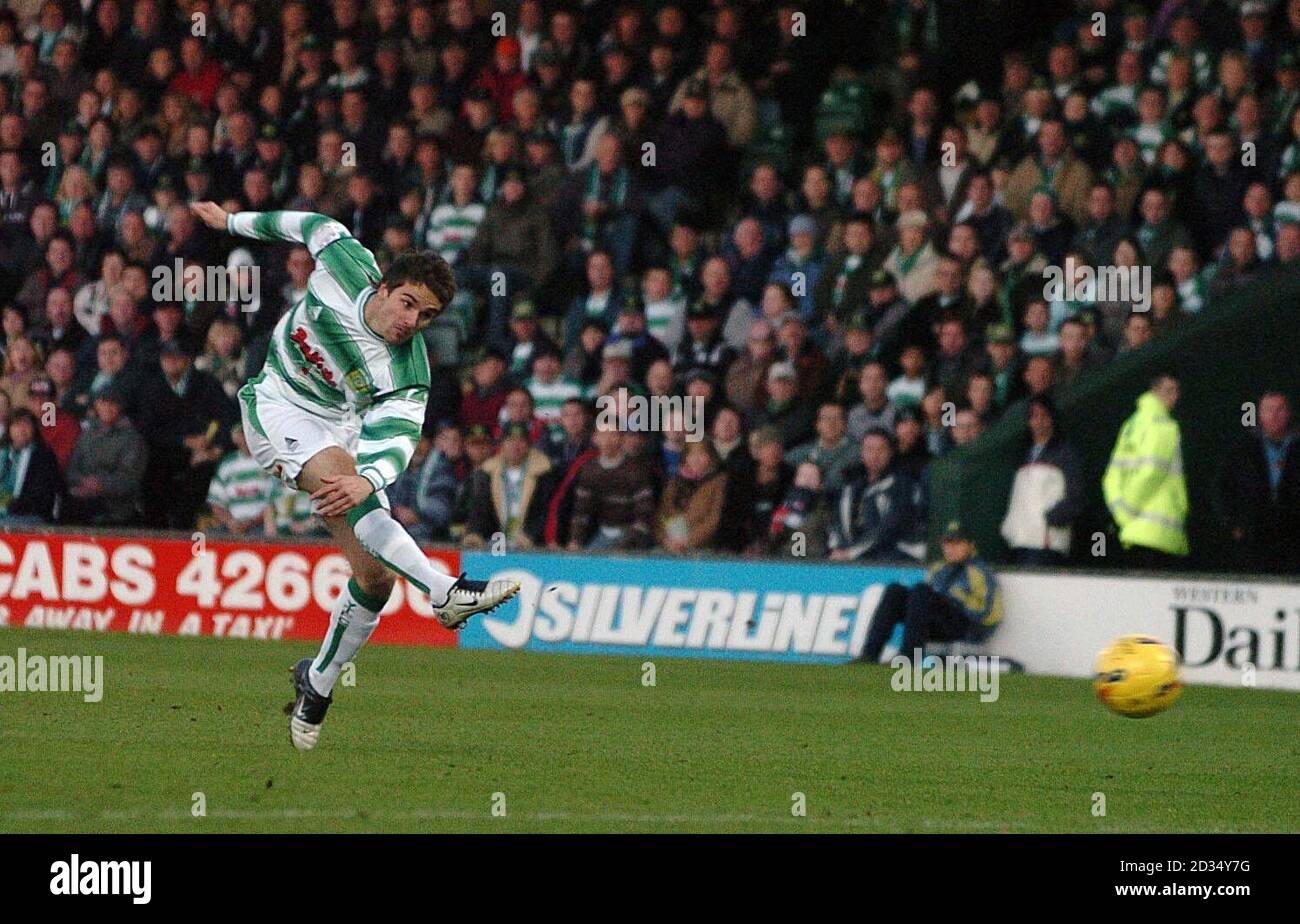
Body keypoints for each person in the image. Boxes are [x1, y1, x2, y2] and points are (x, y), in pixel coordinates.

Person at [189, 201, 519, 752]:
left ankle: (315, 683)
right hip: (276, 406)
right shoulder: (343, 259)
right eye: (408, 303)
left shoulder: (409, 368)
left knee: (375, 578)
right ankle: (445, 591)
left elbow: (397, 437)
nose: (412, 321)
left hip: (337, 427)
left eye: (428, 315)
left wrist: (371, 476)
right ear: (383, 285)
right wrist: (231, 223)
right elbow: (299, 224)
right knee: (349, 482)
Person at [856, 520, 1003, 664]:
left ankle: (908, 657)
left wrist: (958, 600)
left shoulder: (979, 572)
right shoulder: (939, 569)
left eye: (957, 543)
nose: (951, 548)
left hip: (966, 628)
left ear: (970, 545)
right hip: (938, 624)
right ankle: (869, 654)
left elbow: (988, 613)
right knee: (895, 591)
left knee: (921, 591)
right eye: (947, 543)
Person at [1102, 372, 1189, 568]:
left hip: (1131, 533)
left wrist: (1120, 512)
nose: (1174, 396)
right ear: (1154, 391)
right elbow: (1151, 473)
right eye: (1169, 391)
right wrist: (1127, 512)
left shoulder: (1131, 424)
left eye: (1176, 391)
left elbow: (1111, 477)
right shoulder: (1166, 426)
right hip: (1159, 536)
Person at [1218, 390, 1300, 573]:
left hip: (1293, 543)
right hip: (1253, 543)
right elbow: (1223, 488)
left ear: (1288, 413)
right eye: (1269, 410)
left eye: (1280, 410)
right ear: (1259, 414)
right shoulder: (1243, 449)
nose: (1274, 415)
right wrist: (1233, 525)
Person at [1001, 395, 1084, 565]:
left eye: (1044, 415)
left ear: (1052, 418)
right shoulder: (1022, 455)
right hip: (1019, 542)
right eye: (1034, 416)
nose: (1039, 421)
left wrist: (1051, 519)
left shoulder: (1065, 454)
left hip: (1046, 544)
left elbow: (1076, 496)